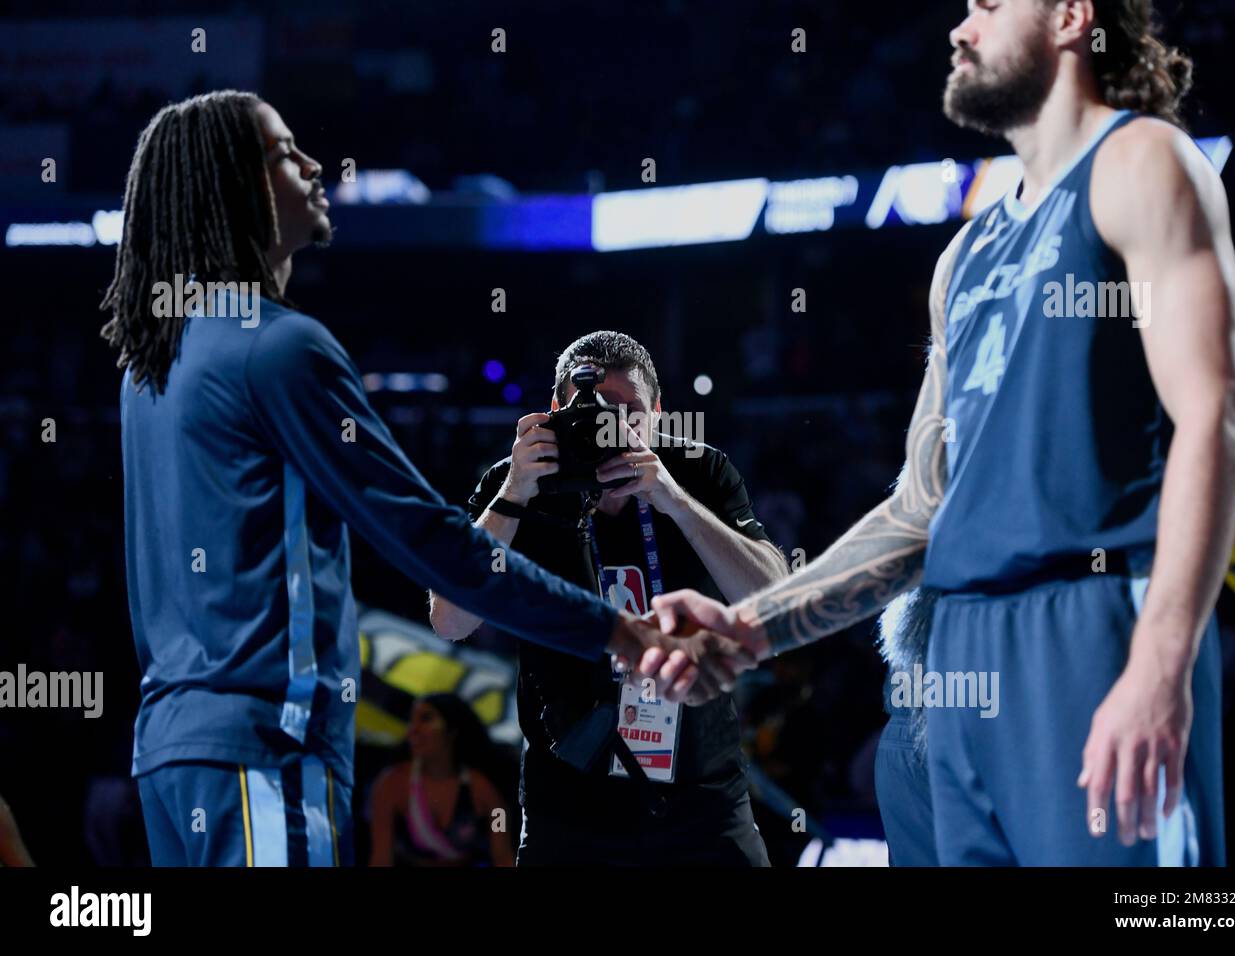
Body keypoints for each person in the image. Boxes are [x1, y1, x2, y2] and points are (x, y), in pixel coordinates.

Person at [652, 0, 1235, 866]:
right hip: (960, 656)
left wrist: (1159, 665)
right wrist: (744, 628)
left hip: (1092, 629)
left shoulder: (1141, 161)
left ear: (1072, 17)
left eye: (988, 6)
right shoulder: (965, 257)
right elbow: (917, 510)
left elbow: (1217, 419)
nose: (960, 29)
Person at [101, 91, 751, 867]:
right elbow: (430, 542)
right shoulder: (280, 349)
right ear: (231, 184)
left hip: (171, 755)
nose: (314, 165)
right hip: (263, 747)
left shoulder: (153, 362)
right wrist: (616, 631)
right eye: (283, 152)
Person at [429, 331, 788, 866]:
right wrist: (513, 498)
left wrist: (675, 502)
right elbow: (448, 621)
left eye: (630, 412)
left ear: (660, 415)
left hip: (701, 798)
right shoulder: (517, 484)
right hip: (569, 808)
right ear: (555, 410)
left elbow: (777, 606)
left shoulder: (697, 471)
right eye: (594, 409)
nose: (612, 427)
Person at [369, 694, 514, 867]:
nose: (412, 730)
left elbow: (503, 856)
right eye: (411, 720)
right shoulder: (391, 784)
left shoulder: (485, 790)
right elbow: (381, 859)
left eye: (425, 719)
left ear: (452, 730)